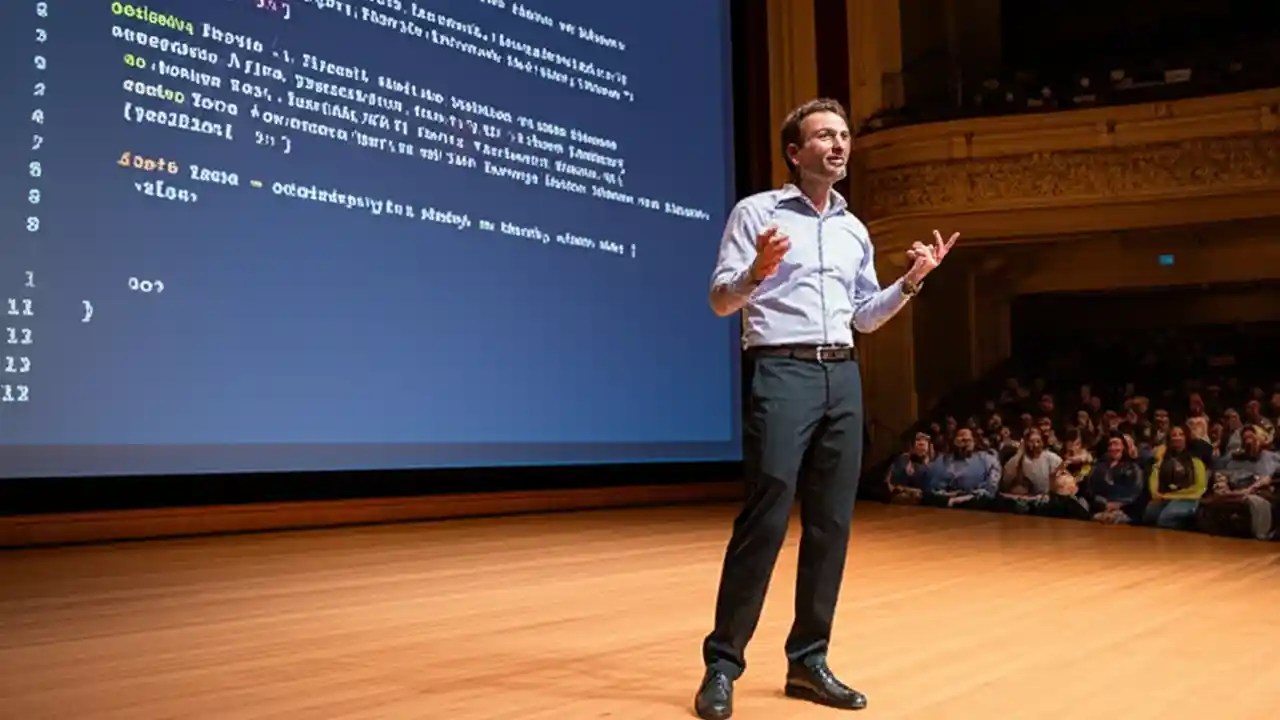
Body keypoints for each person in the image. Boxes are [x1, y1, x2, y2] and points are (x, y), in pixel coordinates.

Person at [694, 97, 958, 719]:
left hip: (843, 375)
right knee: (764, 518)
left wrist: (913, 280)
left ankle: (808, 661)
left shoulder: (852, 229)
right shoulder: (755, 212)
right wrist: (756, 271)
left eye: (843, 135)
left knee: (832, 524)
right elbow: (719, 302)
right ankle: (722, 665)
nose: (839, 144)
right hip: (781, 369)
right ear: (795, 152)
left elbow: (864, 315)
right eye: (824, 136)